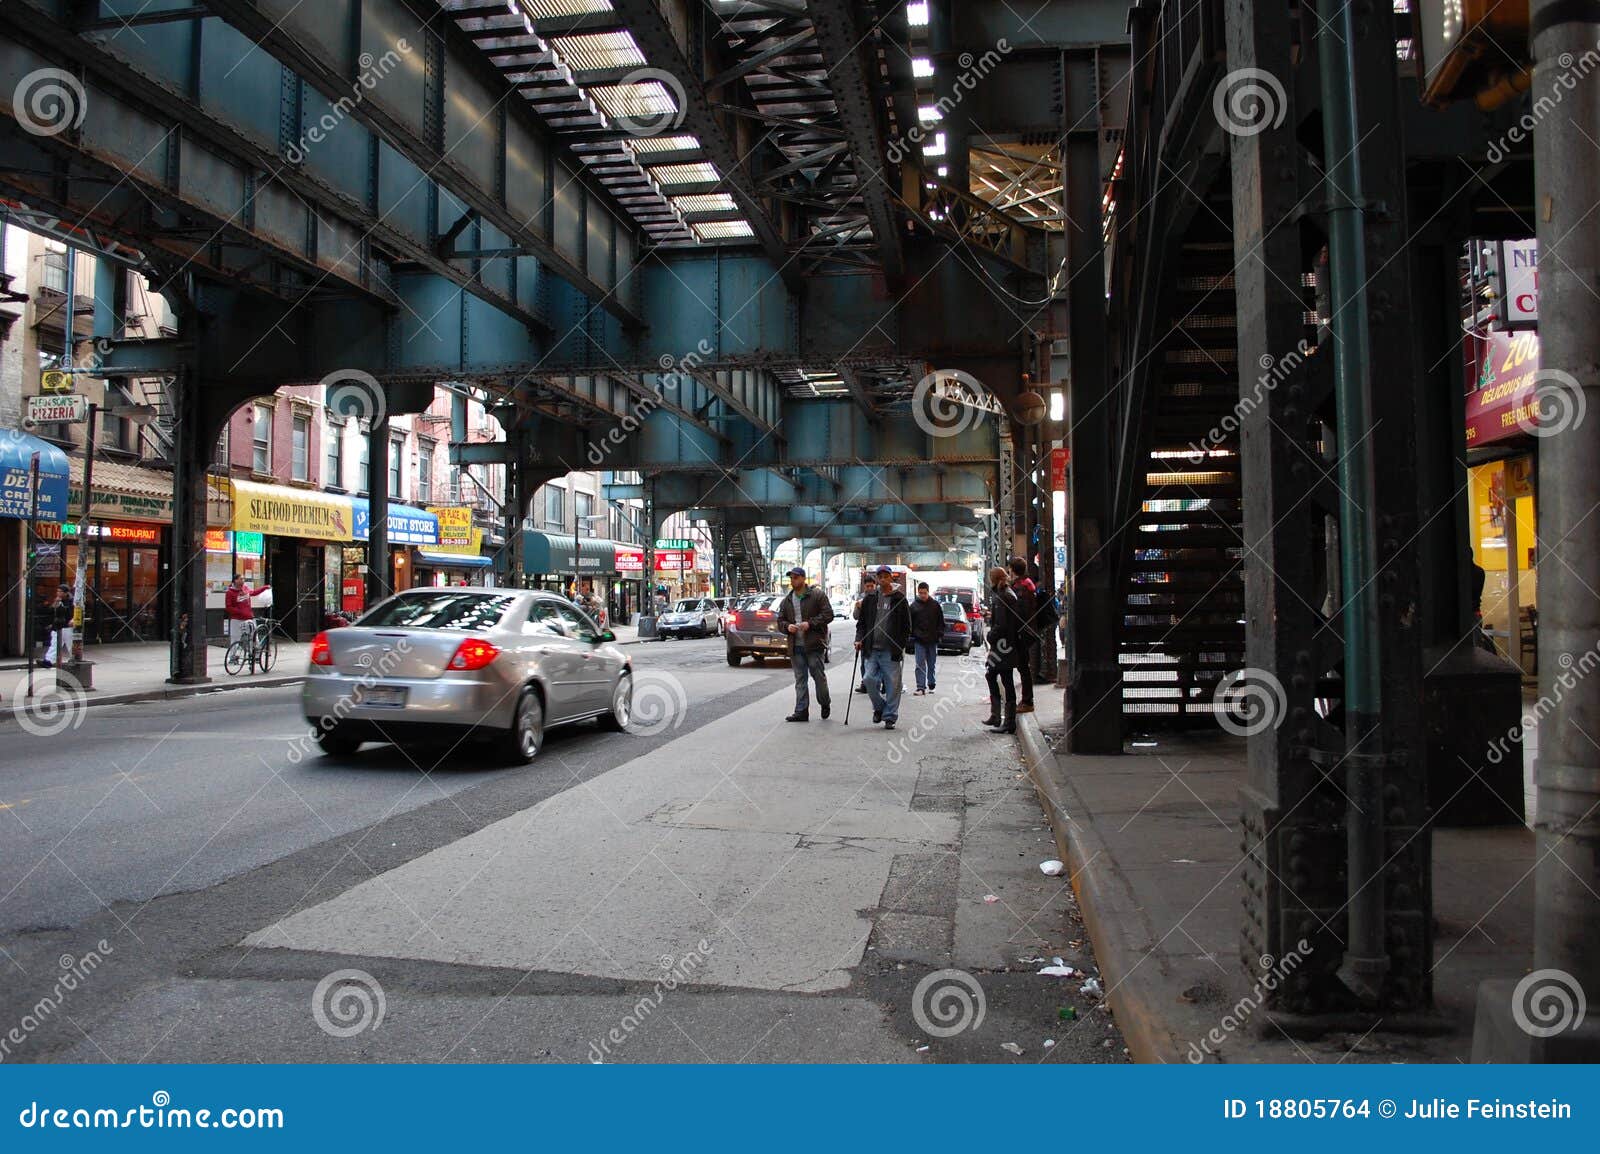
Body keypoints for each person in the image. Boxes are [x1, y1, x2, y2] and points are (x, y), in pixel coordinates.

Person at [854, 565, 912, 729]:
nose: (883, 579)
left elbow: (906, 626)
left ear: (891, 578)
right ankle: (879, 707)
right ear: (878, 579)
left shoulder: (899, 599)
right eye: (880, 576)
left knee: (893, 684)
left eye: (886, 576)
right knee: (868, 679)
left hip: (890, 650)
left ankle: (890, 716)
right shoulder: (870, 599)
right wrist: (859, 639)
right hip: (872, 649)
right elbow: (862, 623)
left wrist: (900, 645)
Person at [778, 566, 834, 722]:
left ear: (803, 579)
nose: (792, 580)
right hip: (796, 646)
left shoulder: (817, 595)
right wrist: (787, 627)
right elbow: (780, 621)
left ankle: (825, 702)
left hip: (814, 645)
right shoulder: (787, 600)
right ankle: (801, 711)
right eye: (791, 578)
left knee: (818, 677)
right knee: (800, 679)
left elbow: (828, 614)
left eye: (795, 577)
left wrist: (810, 624)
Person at [983, 566, 1023, 734]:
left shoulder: (1002, 597)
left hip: (1002, 646)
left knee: (1003, 680)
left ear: (994, 579)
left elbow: (1002, 624)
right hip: (1007, 645)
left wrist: (991, 636)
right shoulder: (1006, 593)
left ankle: (1005, 720)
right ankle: (999, 717)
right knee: (997, 677)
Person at [1008, 557, 1039, 713]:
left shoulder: (1020, 587)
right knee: (1023, 666)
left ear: (1012, 570)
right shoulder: (1027, 583)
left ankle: (1027, 701)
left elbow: (1019, 611)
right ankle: (1026, 700)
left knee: (1022, 666)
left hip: (1022, 633)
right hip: (1027, 630)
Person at [909, 581, 944, 695]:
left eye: (924, 593)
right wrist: (912, 634)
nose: (922, 595)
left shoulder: (935, 605)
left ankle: (931, 683)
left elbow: (940, 622)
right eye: (920, 593)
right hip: (919, 640)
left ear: (928, 592)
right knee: (919, 664)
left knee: (931, 663)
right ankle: (920, 687)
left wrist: (939, 634)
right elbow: (910, 623)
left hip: (932, 640)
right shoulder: (913, 606)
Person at [224, 575, 269, 645]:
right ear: (235, 580)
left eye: (243, 579)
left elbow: (253, 592)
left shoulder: (245, 588)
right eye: (241, 579)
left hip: (249, 617)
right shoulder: (230, 592)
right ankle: (233, 655)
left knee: (254, 637)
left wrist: (264, 588)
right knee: (235, 638)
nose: (243, 580)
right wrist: (240, 612)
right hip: (236, 619)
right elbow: (229, 607)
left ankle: (255, 654)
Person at [852, 574, 877, 692]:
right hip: (865, 635)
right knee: (863, 662)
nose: (870, 588)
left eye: (872, 586)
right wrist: (857, 607)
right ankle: (865, 683)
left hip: (877, 636)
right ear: (864, 586)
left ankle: (877, 684)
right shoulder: (861, 598)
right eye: (867, 586)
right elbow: (856, 618)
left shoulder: (879, 597)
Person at [42, 586, 72, 668]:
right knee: (54, 644)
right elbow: (50, 611)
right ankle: (48, 660)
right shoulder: (58, 601)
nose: (58, 593)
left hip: (67, 626)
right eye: (57, 591)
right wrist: (55, 603)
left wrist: (73, 620)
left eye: (60, 591)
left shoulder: (71, 601)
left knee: (70, 644)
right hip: (57, 626)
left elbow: (71, 612)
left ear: (66, 593)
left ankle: (74, 658)